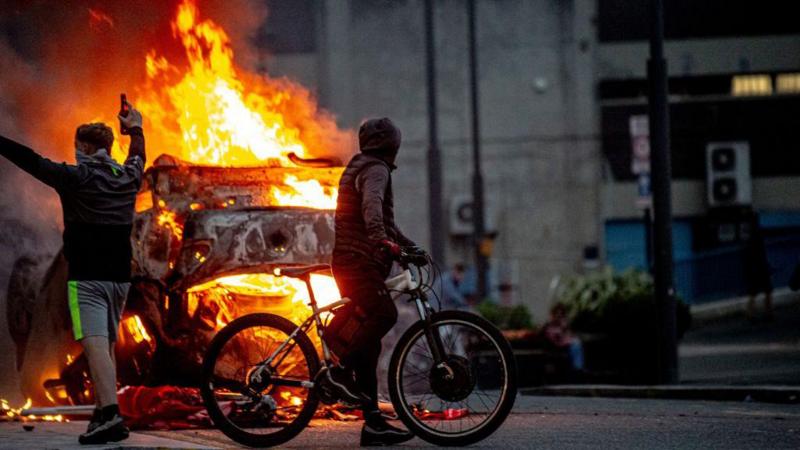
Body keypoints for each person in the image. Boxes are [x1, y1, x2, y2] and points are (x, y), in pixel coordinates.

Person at [0, 101, 145, 445]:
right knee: (105, 344)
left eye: (77, 147)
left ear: (82, 148)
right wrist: (135, 127)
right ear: (109, 148)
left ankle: (110, 415)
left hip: (88, 279)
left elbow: (30, 160)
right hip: (120, 278)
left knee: (94, 344)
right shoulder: (128, 175)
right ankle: (101, 414)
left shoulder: (73, 177)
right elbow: (138, 153)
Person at [324, 117, 419, 446]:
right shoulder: (376, 168)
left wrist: (407, 246)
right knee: (385, 315)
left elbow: (385, 224)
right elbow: (372, 210)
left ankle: (373, 424)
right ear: (391, 144)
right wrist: (383, 241)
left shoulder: (363, 164)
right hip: (357, 262)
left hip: (355, 261)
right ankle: (337, 374)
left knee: (370, 346)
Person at [743, 213, 773, 321]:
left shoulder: (749, 240)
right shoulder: (758, 239)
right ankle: (768, 312)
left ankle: (750, 313)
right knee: (767, 291)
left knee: (753, 292)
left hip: (753, 269)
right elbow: (761, 255)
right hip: (760, 268)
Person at [541, 303, 584, 372]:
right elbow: (556, 341)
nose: (559, 316)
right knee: (576, 344)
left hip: (565, 348)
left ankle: (577, 368)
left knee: (576, 344)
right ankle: (577, 369)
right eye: (557, 314)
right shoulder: (549, 327)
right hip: (555, 349)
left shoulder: (563, 326)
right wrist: (564, 332)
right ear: (553, 315)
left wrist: (565, 331)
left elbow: (569, 336)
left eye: (561, 315)